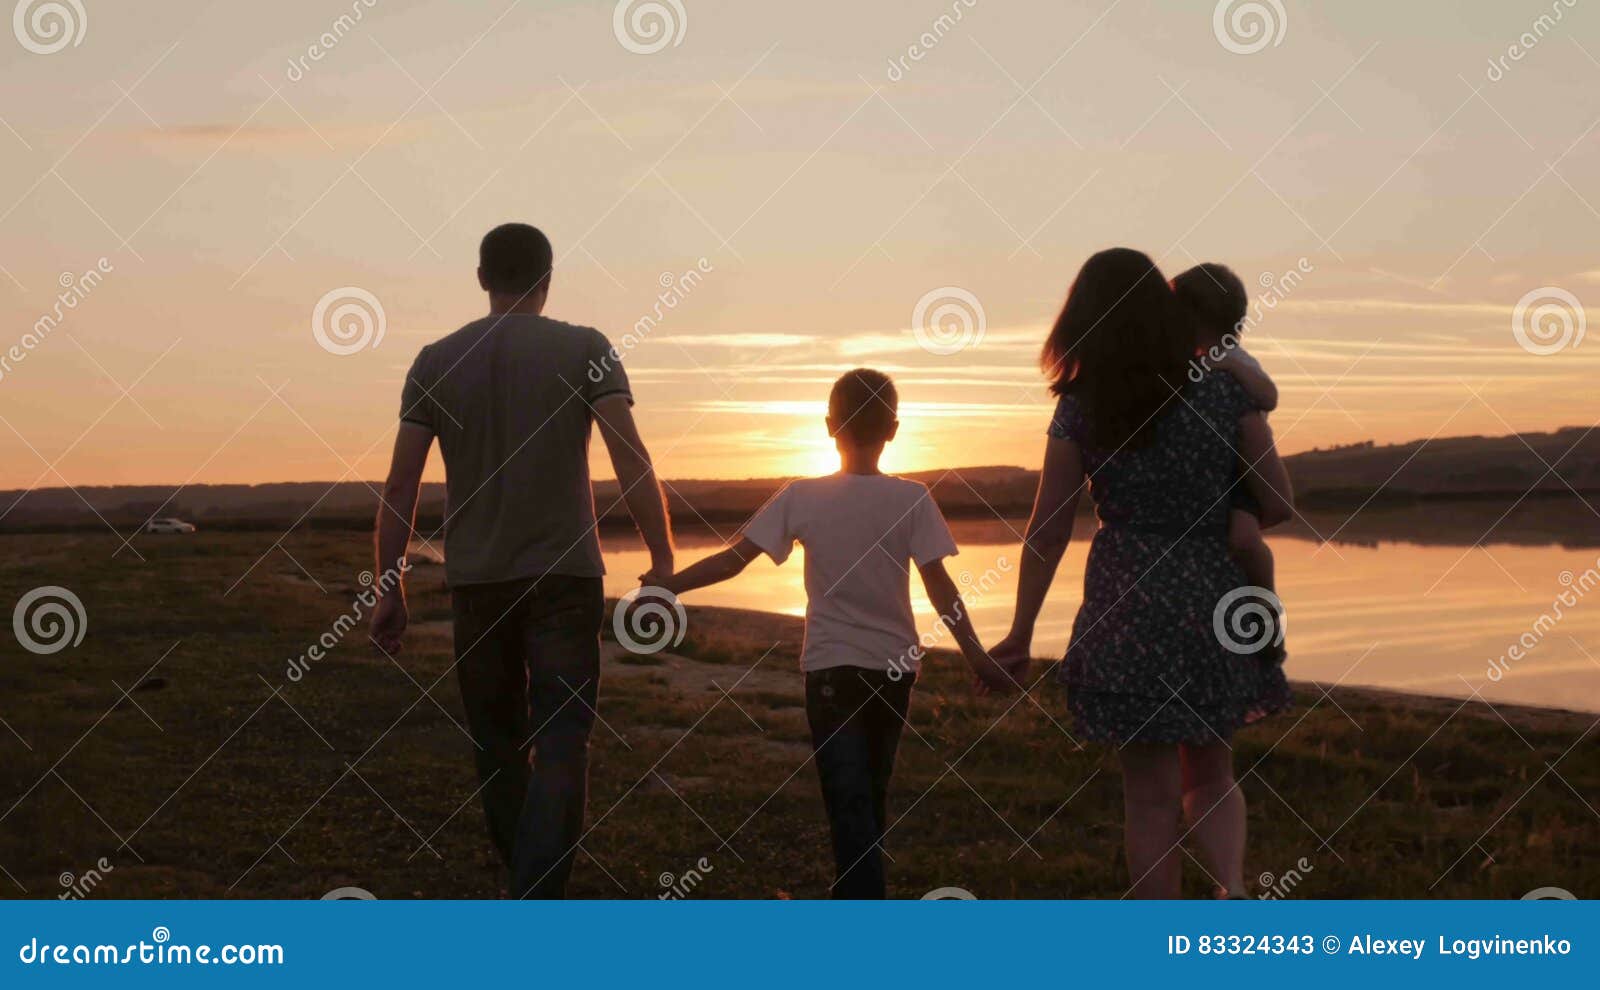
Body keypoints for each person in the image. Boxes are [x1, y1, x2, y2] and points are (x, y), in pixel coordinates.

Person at [370, 222, 675, 898]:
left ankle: (526, 892)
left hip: (478, 582)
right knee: (564, 743)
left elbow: (400, 486)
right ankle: (538, 900)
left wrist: (390, 586)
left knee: (497, 744)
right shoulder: (587, 348)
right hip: (566, 578)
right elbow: (630, 457)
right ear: (548, 279)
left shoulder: (434, 361)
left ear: (482, 278)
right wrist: (662, 558)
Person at [641, 369, 1019, 898]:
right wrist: (977, 657)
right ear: (893, 430)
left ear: (829, 426)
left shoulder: (801, 496)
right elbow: (941, 588)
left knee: (850, 803)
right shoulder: (913, 499)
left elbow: (733, 561)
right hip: (892, 671)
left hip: (830, 672)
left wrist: (670, 586)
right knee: (868, 798)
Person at [990, 248, 1294, 899]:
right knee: (1212, 770)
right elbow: (1276, 501)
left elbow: (1048, 530)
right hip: (1213, 602)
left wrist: (1020, 631)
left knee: (1150, 796)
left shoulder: (1082, 406)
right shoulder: (1226, 391)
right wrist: (1225, 511)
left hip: (1126, 605)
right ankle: (1233, 891)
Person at [1174, 263, 1283, 661]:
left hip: (1242, 472)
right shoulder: (1188, 360)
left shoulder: (1235, 358)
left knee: (1243, 539)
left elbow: (1269, 397)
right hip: (1214, 471)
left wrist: (1232, 368)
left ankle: (1266, 613)